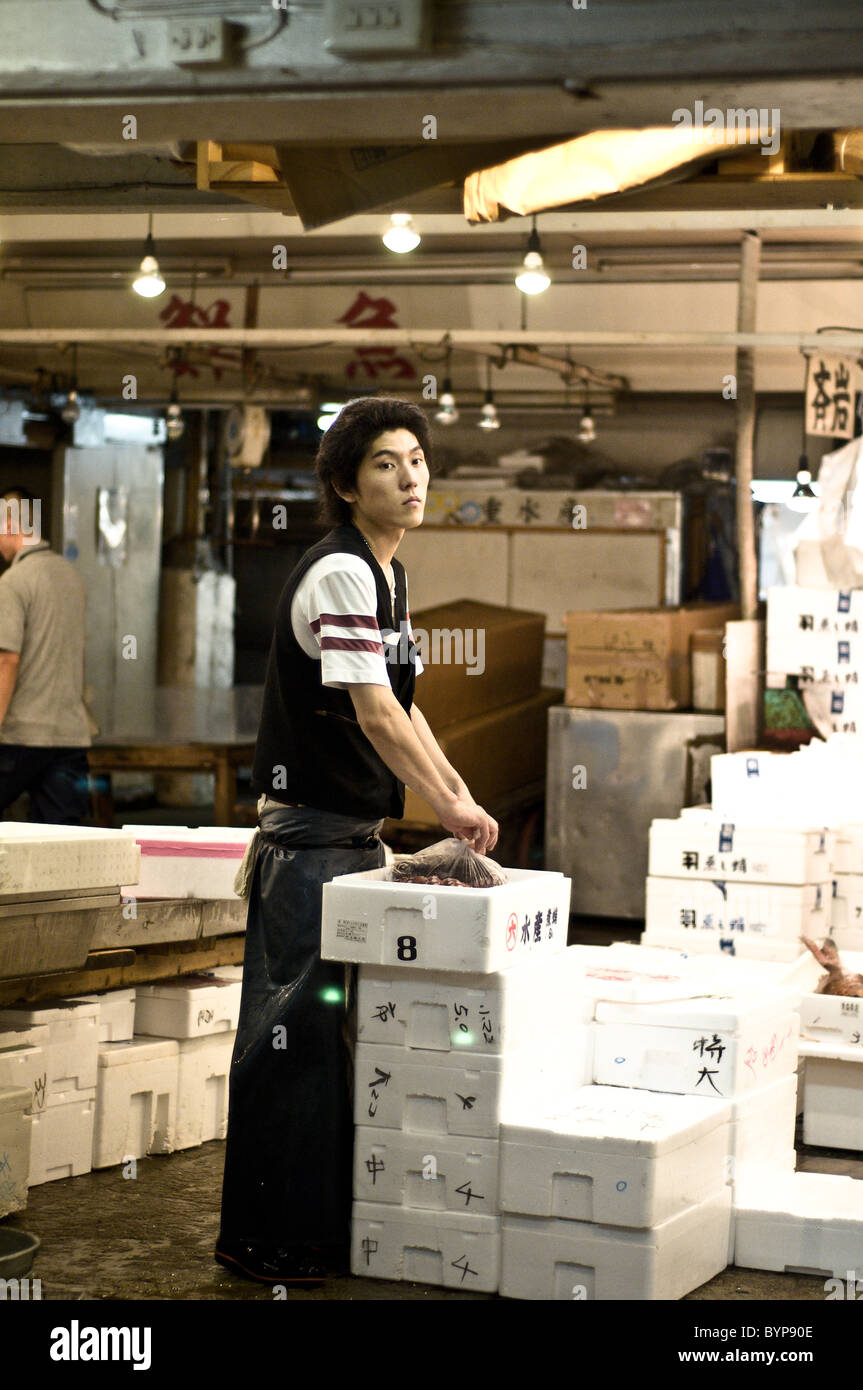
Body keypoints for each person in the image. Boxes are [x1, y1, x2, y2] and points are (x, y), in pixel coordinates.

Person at [216, 397, 498, 1286]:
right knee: (290, 1047)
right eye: (385, 462)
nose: (409, 476)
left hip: (347, 842)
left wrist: (456, 795)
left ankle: (314, 1232)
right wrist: (443, 807)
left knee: (332, 1044)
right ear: (345, 483)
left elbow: (402, 702)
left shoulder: (386, 575)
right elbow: (372, 711)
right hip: (305, 850)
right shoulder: (340, 572)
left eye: (417, 459)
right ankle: (264, 1243)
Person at [0, 486, 91, 823]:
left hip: (21, 736)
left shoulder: (13, 581)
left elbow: (6, 660)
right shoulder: (72, 576)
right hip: (69, 736)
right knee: (61, 845)